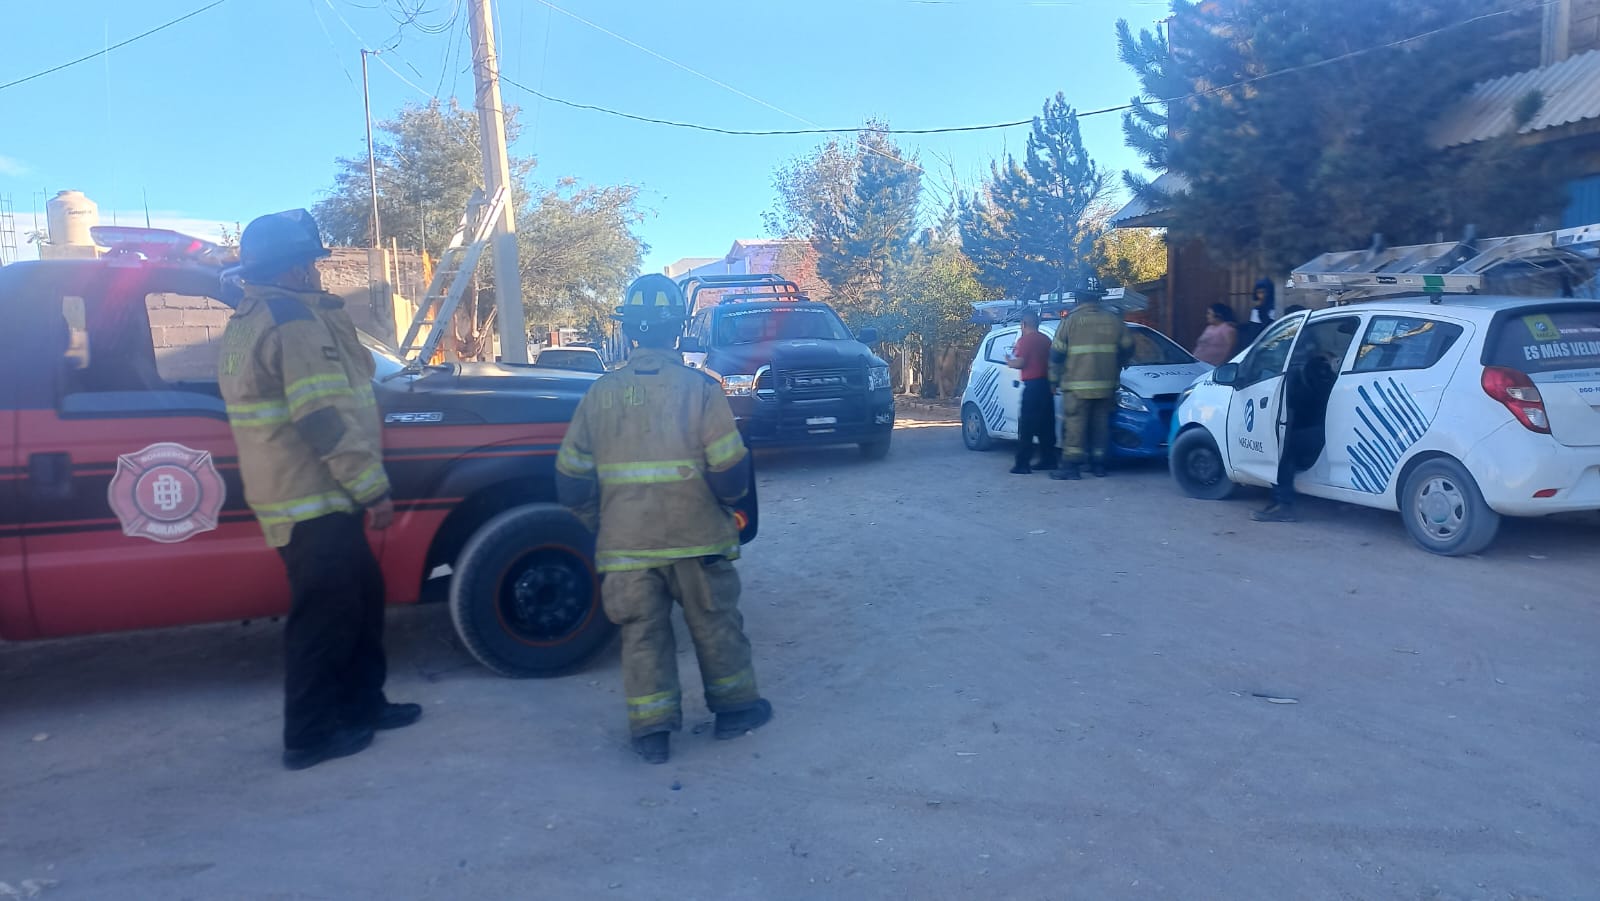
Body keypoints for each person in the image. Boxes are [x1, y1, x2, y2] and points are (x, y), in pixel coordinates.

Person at [218, 209, 419, 771]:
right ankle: (308, 736)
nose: (317, 270)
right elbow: (321, 416)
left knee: (360, 598)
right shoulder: (291, 323)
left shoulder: (259, 317)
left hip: (307, 491)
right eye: (310, 261)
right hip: (313, 494)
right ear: (293, 269)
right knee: (324, 617)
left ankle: (364, 703)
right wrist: (371, 488)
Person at [556, 274, 773, 765]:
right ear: (677, 331)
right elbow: (729, 471)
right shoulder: (701, 390)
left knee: (641, 635)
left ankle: (651, 732)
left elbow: (569, 477)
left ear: (629, 331)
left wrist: (598, 521)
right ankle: (736, 711)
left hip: (626, 544)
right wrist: (727, 505)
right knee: (716, 627)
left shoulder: (599, 394)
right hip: (697, 538)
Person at [1047, 290, 1135, 480]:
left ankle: (1071, 468)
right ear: (1099, 297)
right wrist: (1118, 363)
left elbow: (1056, 355)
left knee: (1075, 426)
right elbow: (1129, 346)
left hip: (1077, 386)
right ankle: (1098, 466)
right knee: (1100, 425)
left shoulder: (1070, 321)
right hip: (1106, 385)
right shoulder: (1113, 320)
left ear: (1078, 298)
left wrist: (1053, 380)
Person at [1006, 311, 1056, 474]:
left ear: (1024, 324)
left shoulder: (1024, 340)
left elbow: (1021, 362)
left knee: (1026, 426)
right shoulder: (1046, 340)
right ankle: (1049, 460)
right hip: (1046, 386)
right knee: (1046, 426)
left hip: (1032, 387)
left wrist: (1009, 362)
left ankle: (1022, 464)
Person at [1238, 278, 1279, 345]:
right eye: (1259, 293)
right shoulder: (1256, 310)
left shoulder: (1277, 307)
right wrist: (1261, 309)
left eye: (1263, 292)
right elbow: (1254, 332)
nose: (1261, 296)